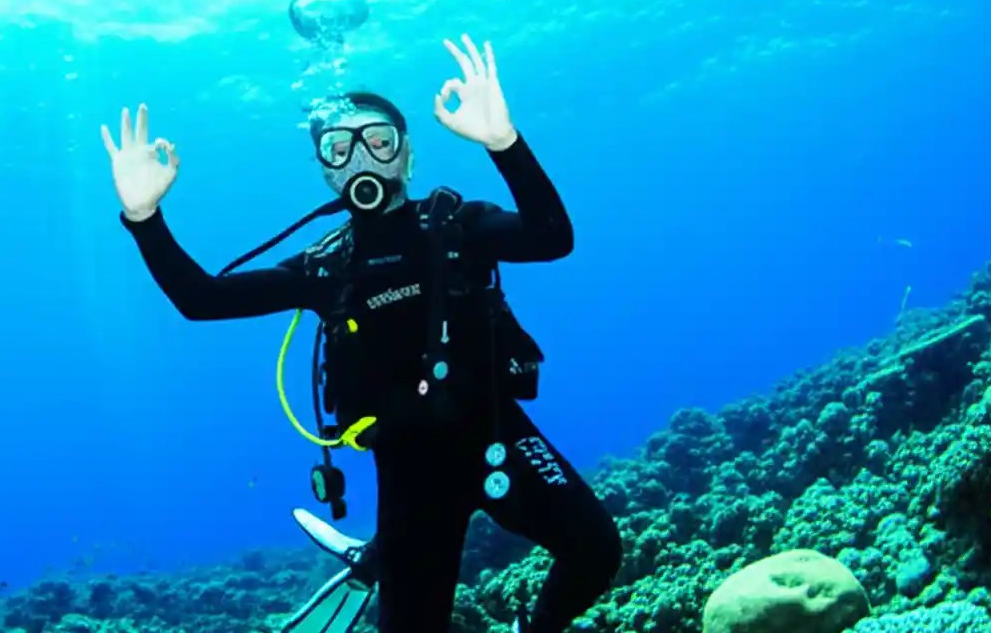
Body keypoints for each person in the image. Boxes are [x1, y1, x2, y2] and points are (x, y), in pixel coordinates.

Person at [101, 34, 623, 632]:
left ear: (406, 156)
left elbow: (553, 236)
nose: (362, 159)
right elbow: (201, 300)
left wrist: (504, 143)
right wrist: (144, 218)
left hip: (496, 434)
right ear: (325, 170)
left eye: (379, 141)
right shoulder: (325, 268)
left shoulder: (459, 226)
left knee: (595, 549)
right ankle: (382, 553)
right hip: (408, 476)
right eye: (339, 148)